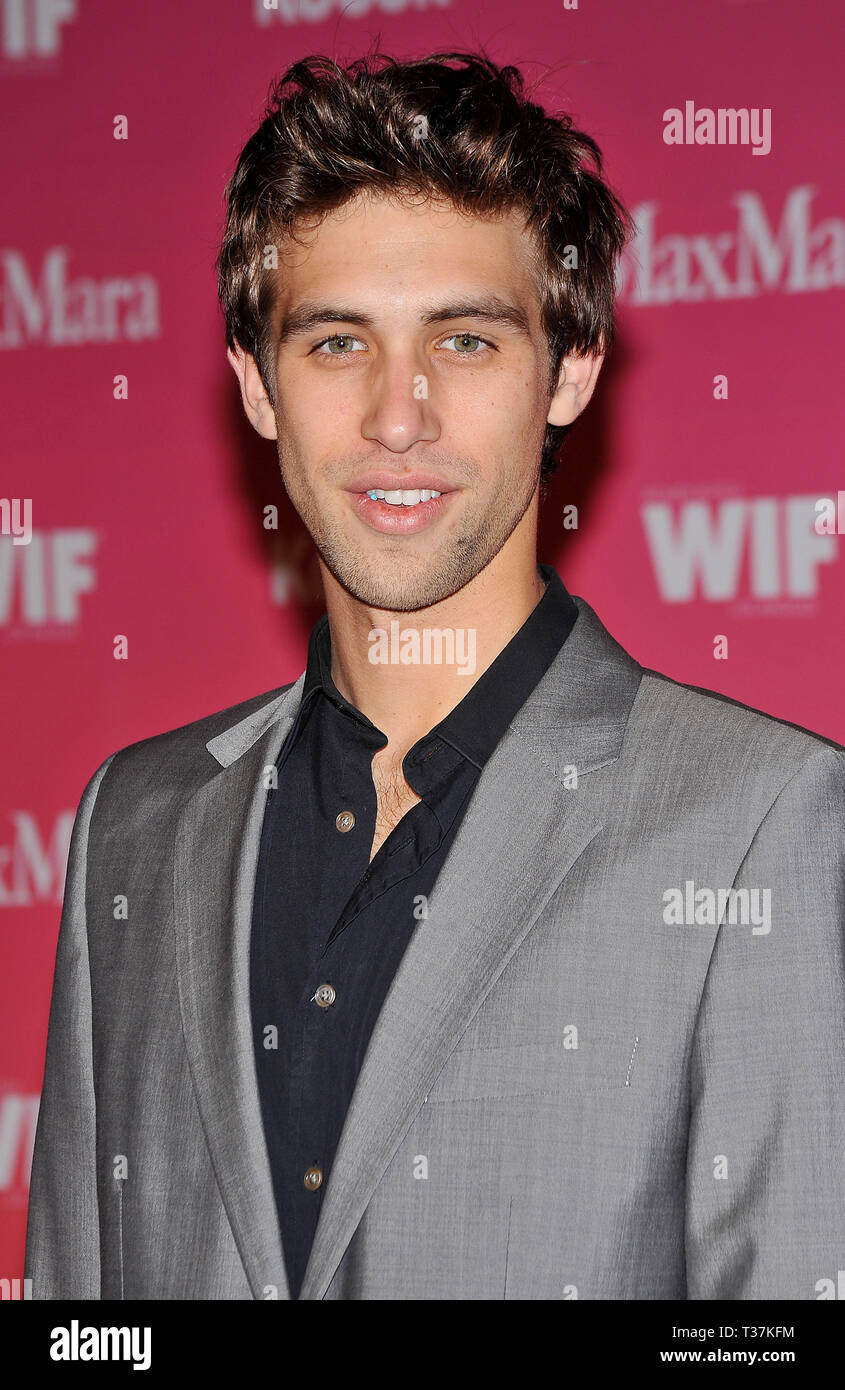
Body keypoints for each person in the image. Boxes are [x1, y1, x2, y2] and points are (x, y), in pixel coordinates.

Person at [25, 49, 845, 1301]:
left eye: (463, 340)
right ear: (255, 385)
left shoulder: (757, 828)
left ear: (567, 368)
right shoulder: (131, 830)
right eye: (336, 341)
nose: (396, 415)